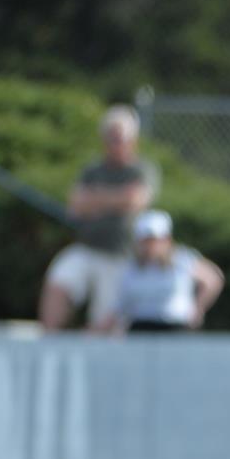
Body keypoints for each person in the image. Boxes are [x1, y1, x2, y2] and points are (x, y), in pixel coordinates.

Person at [38, 104, 160, 331]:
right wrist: (117, 199)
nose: (115, 144)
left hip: (119, 256)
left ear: (133, 140)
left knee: (105, 322)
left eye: (120, 138)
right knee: (59, 280)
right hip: (87, 248)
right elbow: (76, 206)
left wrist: (96, 199)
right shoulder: (92, 170)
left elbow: (135, 200)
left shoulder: (141, 170)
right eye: (111, 138)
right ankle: (50, 336)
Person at [111, 211, 224, 332]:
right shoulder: (131, 267)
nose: (151, 245)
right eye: (146, 240)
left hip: (175, 327)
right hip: (140, 326)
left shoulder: (182, 260)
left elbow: (212, 280)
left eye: (155, 240)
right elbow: (121, 304)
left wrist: (198, 309)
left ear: (167, 239)